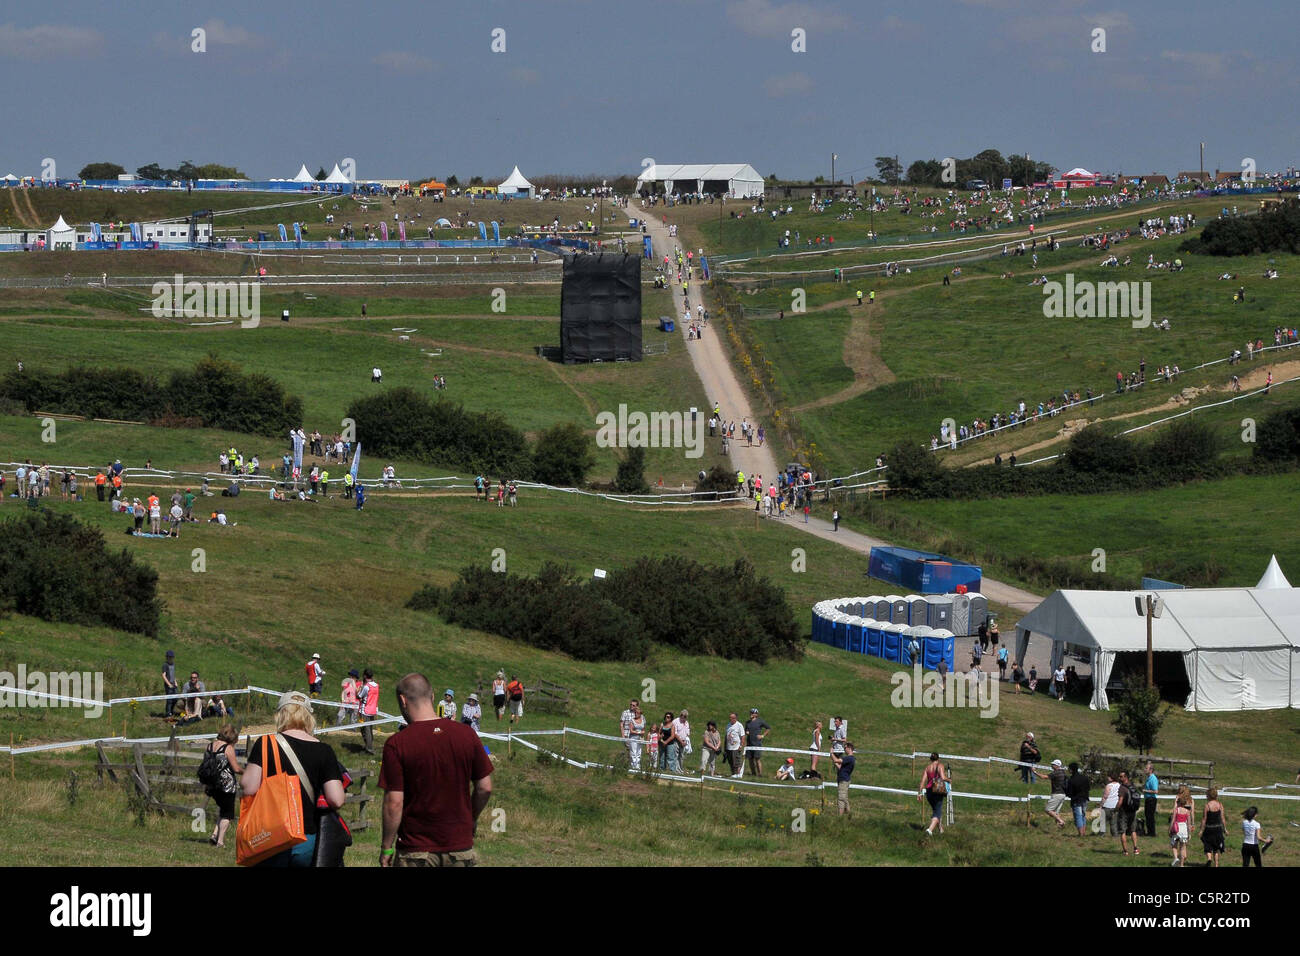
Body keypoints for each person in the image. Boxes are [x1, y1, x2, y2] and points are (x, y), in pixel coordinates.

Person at [378, 673, 493, 868]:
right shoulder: (466, 734)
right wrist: (471, 818)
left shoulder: (397, 743)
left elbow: (394, 802)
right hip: (460, 849)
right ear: (432, 697)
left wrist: (386, 847)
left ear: (402, 700)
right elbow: (485, 787)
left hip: (416, 850)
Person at [242, 691, 347, 867]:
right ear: (308, 717)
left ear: (281, 714)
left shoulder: (266, 744)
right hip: (306, 836)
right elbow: (336, 799)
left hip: (269, 836)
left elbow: (249, 787)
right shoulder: (324, 750)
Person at [203, 724, 241, 848]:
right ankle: (220, 841)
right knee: (228, 814)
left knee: (222, 810)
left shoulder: (209, 746)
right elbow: (235, 768)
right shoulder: (227, 748)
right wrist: (246, 771)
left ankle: (214, 835)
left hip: (212, 784)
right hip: (226, 786)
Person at [918, 752, 949, 835]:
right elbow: (942, 777)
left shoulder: (927, 768)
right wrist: (949, 780)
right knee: (937, 812)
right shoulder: (940, 766)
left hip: (929, 792)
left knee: (936, 810)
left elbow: (922, 782)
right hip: (937, 791)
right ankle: (930, 830)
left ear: (930, 759)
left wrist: (919, 793)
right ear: (938, 759)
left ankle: (941, 830)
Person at [1038, 758, 1068, 828]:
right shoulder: (1063, 772)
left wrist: (1035, 772)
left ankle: (1061, 821)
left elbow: (1044, 777)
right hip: (1063, 794)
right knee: (1056, 812)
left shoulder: (1056, 772)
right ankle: (1059, 827)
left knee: (1048, 810)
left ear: (1057, 765)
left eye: (1053, 764)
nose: (1051, 765)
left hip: (1057, 794)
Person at [1117, 771, 1140, 855]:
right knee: (1133, 830)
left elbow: (1120, 801)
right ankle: (1135, 849)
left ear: (1125, 777)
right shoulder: (1132, 786)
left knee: (1122, 831)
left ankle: (1125, 851)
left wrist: (1116, 809)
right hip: (1133, 811)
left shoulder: (1122, 788)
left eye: (1121, 776)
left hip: (1124, 812)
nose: (1119, 778)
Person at [1201, 788, 1225, 867]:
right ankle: (1216, 864)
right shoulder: (1220, 805)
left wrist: (1201, 830)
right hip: (1218, 828)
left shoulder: (1207, 805)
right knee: (1216, 848)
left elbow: (1204, 819)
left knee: (1207, 845)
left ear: (1209, 796)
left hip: (1209, 828)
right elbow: (1222, 818)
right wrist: (1225, 829)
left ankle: (1209, 859)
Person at [1065, 762, 1091, 836]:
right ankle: (1083, 832)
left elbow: (1069, 793)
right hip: (1085, 798)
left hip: (1076, 800)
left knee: (1078, 816)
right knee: (1083, 815)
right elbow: (1088, 788)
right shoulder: (1085, 778)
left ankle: (1081, 833)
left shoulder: (1071, 780)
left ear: (1071, 770)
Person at [358, 668, 379, 754]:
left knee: (365, 729)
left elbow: (359, 696)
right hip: (373, 710)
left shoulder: (366, 687)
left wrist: (359, 689)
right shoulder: (377, 685)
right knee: (369, 729)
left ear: (365, 676)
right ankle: (369, 745)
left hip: (365, 710)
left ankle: (369, 748)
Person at [830, 742, 855, 814]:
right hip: (843, 779)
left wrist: (832, 754)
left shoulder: (849, 758)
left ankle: (840, 816)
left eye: (845, 748)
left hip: (843, 780)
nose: (844, 749)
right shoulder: (849, 759)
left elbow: (836, 760)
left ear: (849, 748)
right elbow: (840, 767)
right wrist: (834, 759)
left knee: (841, 798)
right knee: (845, 798)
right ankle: (848, 814)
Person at [1169, 792, 1193, 866]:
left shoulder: (1176, 810)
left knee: (1174, 845)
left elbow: (1173, 820)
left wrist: (1169, 829)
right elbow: (1189, 824)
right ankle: (1182, 864)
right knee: (1182, 847)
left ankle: (1176, 857)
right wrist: (1189, 833)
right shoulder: (1187, 811)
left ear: (1178, 803)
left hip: (1177, 829)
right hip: (1184, 830)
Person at [745, 707, 770, 777]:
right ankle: (753, 773)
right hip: (749, 743)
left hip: (757, 743)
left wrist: (762, 736)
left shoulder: (760, 721)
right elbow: (746, 730)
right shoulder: (747, 722)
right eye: (751, 712)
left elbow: (768, 728)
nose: (751, 714)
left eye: (753, 713)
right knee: (750, 759)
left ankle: (760, 774)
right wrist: (746, 732)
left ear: (756, 714)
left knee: (757, 759)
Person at [1141, 761, 1159, 838]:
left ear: (1151, 770)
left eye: (1146, 768)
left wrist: (1145, 790)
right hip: (1148, 799)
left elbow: (1156, 791)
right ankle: (1149, 832)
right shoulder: (1149, 778)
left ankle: (1152, 833)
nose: (1145, 770)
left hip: (1152, 799)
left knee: (1150, 816)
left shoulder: (1153, 778)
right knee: (1147, 815)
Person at [725, 712, 745, 777]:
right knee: (731, 762)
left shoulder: (739, 725)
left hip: (736, 747)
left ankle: (738, 774)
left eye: (732, 718)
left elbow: (743, 736)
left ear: (735, 718)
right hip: (729, 747)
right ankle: (733, 774)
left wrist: (741, 745)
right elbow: (726, 736)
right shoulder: (728, 725)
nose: (730, 719)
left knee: (737, 762)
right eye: (730, 717)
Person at [161, 650, 179, 718]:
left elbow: (173, 674)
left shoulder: (173, 664)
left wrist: (175, 682)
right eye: (169, 657)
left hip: (173, 684)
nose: (170, 658)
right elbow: (163, 675)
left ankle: (171, 711)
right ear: (166, 657)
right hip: (168, 685)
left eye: (171, 657)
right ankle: (168, 713)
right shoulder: (165, 665)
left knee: (176, 699)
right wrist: (168, 684)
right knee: (169, 700)